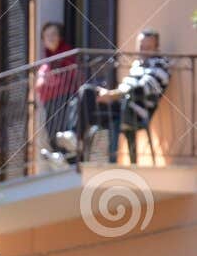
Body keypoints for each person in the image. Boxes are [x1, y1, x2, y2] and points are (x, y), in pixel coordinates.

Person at [59, 30, 172, 164]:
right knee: (85, 94)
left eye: (148, 47)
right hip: (121, 105)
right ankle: (71, 146)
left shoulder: (160, 64)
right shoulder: (138, 64)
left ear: (157, 48)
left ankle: (72, 149)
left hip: (134, 112)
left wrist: (112, 95)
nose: (143, 51)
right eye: (141, 47)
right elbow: (126, 89)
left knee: (86, 103)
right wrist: (108, 95)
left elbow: (141, 89)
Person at [35, 21, 79, 163]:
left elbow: (72, 77)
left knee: (63, 131)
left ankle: (69, 159)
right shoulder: (47, 59)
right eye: (47, 36)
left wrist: (50, 82)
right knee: (52, 131)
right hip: (49, 101)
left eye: (53, 34)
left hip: (65, 98)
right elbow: (40, 86)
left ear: (60, 37)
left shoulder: (67, 54)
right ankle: (59, 156)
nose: (50, 38)